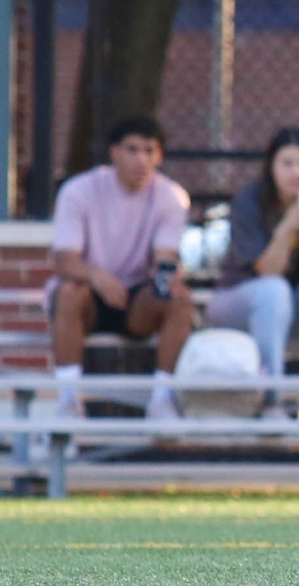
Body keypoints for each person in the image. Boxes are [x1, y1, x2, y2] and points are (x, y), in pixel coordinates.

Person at [48, 115, 195, 421]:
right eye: (132, 149)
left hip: (137, 302)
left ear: (160, 156)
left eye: (149, 150)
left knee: (180, 299)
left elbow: (165, 255)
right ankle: (68, 400)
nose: (141, 159)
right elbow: (65, 261)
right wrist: (98, 277)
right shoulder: (78, 191)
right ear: (114, 152)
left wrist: (167, 275)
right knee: (69, 292)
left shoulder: (172, 197)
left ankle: (162, 399)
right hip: (88, 298)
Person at [207, 126, 299, 422]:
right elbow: (266, 270)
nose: (295, 171)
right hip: (240, 300)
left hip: (291, 308)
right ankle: (270, 401)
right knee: (273, 288)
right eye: (286, 163)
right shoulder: (250, 200)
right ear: (270, 167)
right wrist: (289, 225)